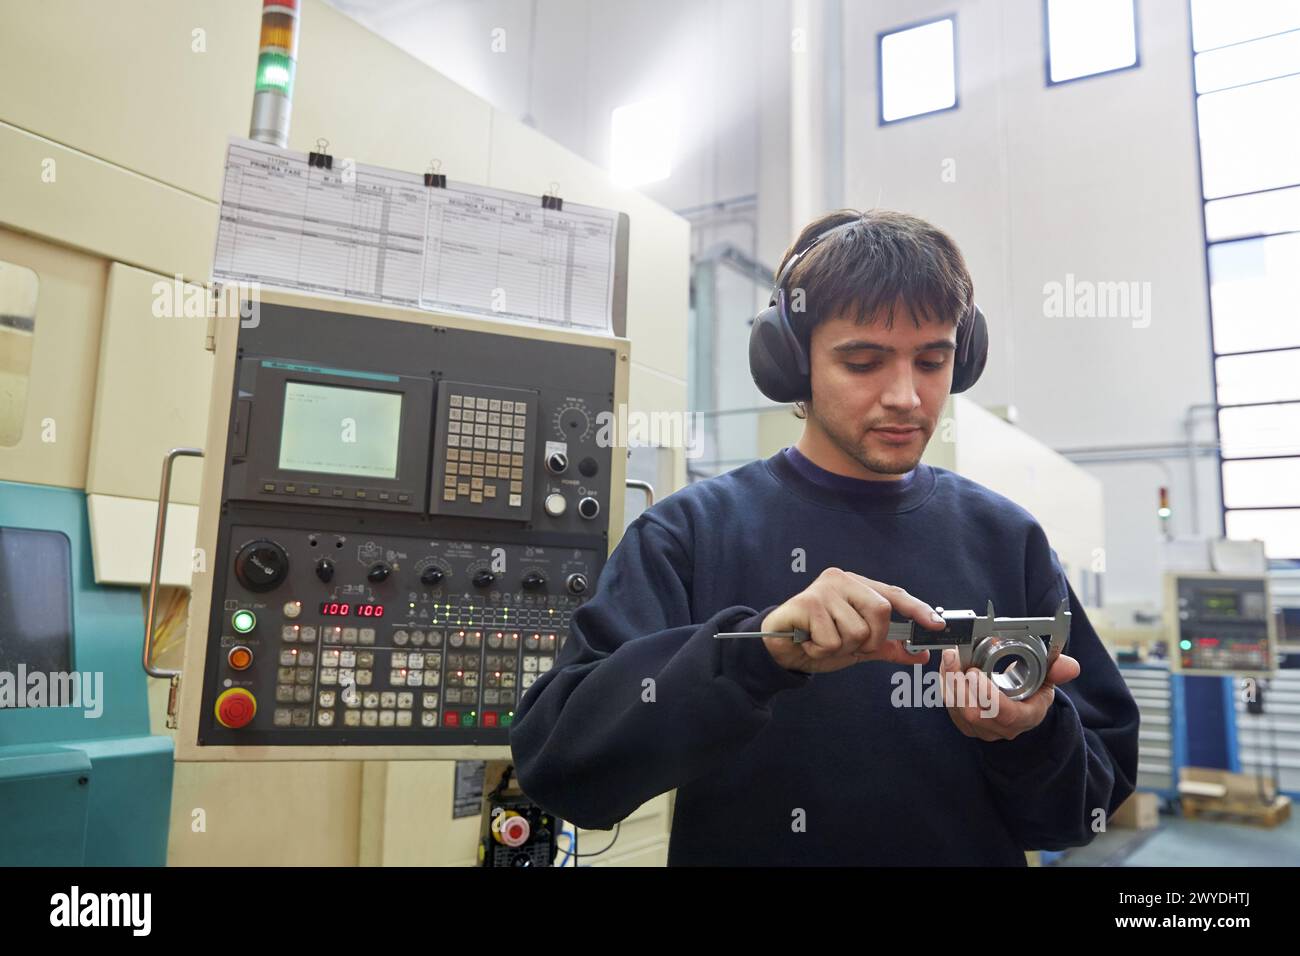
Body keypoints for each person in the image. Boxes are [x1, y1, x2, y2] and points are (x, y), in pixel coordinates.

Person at [509, 208, 1140, 865]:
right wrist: (756, 652)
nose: (906, 395)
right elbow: (562, 769)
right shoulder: (688, 534)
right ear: (792, 362)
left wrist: (1029, 734)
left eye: (932, 361)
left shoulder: (1008, 539)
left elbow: (1079, 813)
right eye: (864, 361)